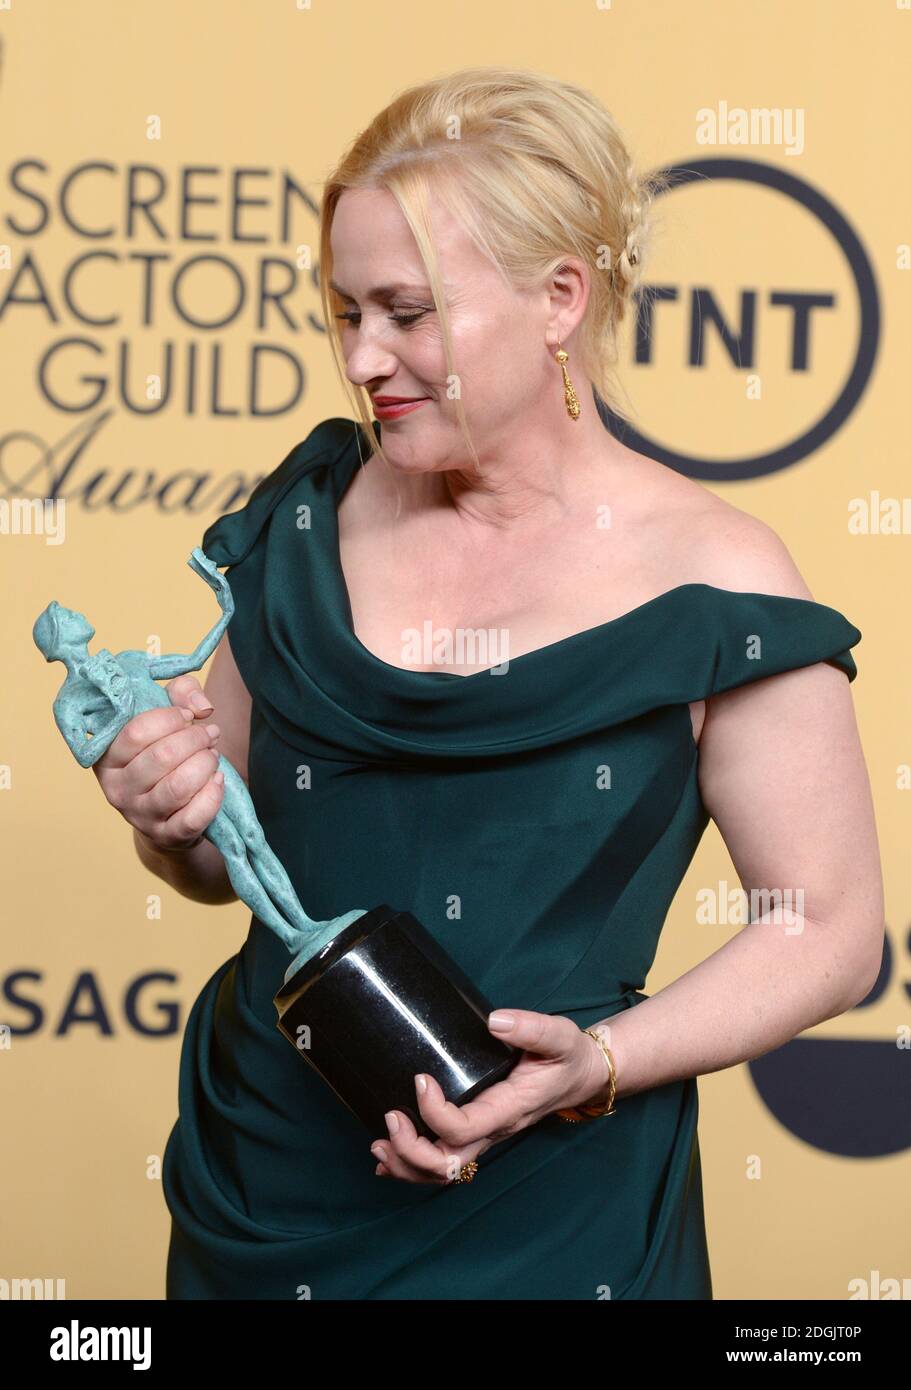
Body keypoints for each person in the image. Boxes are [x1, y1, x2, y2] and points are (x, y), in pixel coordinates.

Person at [94, 66, 884, 1299]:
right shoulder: (296, 524)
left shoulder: (715, 578)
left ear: (558, 297)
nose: (363, 356)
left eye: (407, 313)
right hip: (267, 1190)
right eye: (343, 310)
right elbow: (215, 861)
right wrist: (166, 817)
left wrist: (600, 1061)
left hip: (556, 1215)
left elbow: (826, 930)